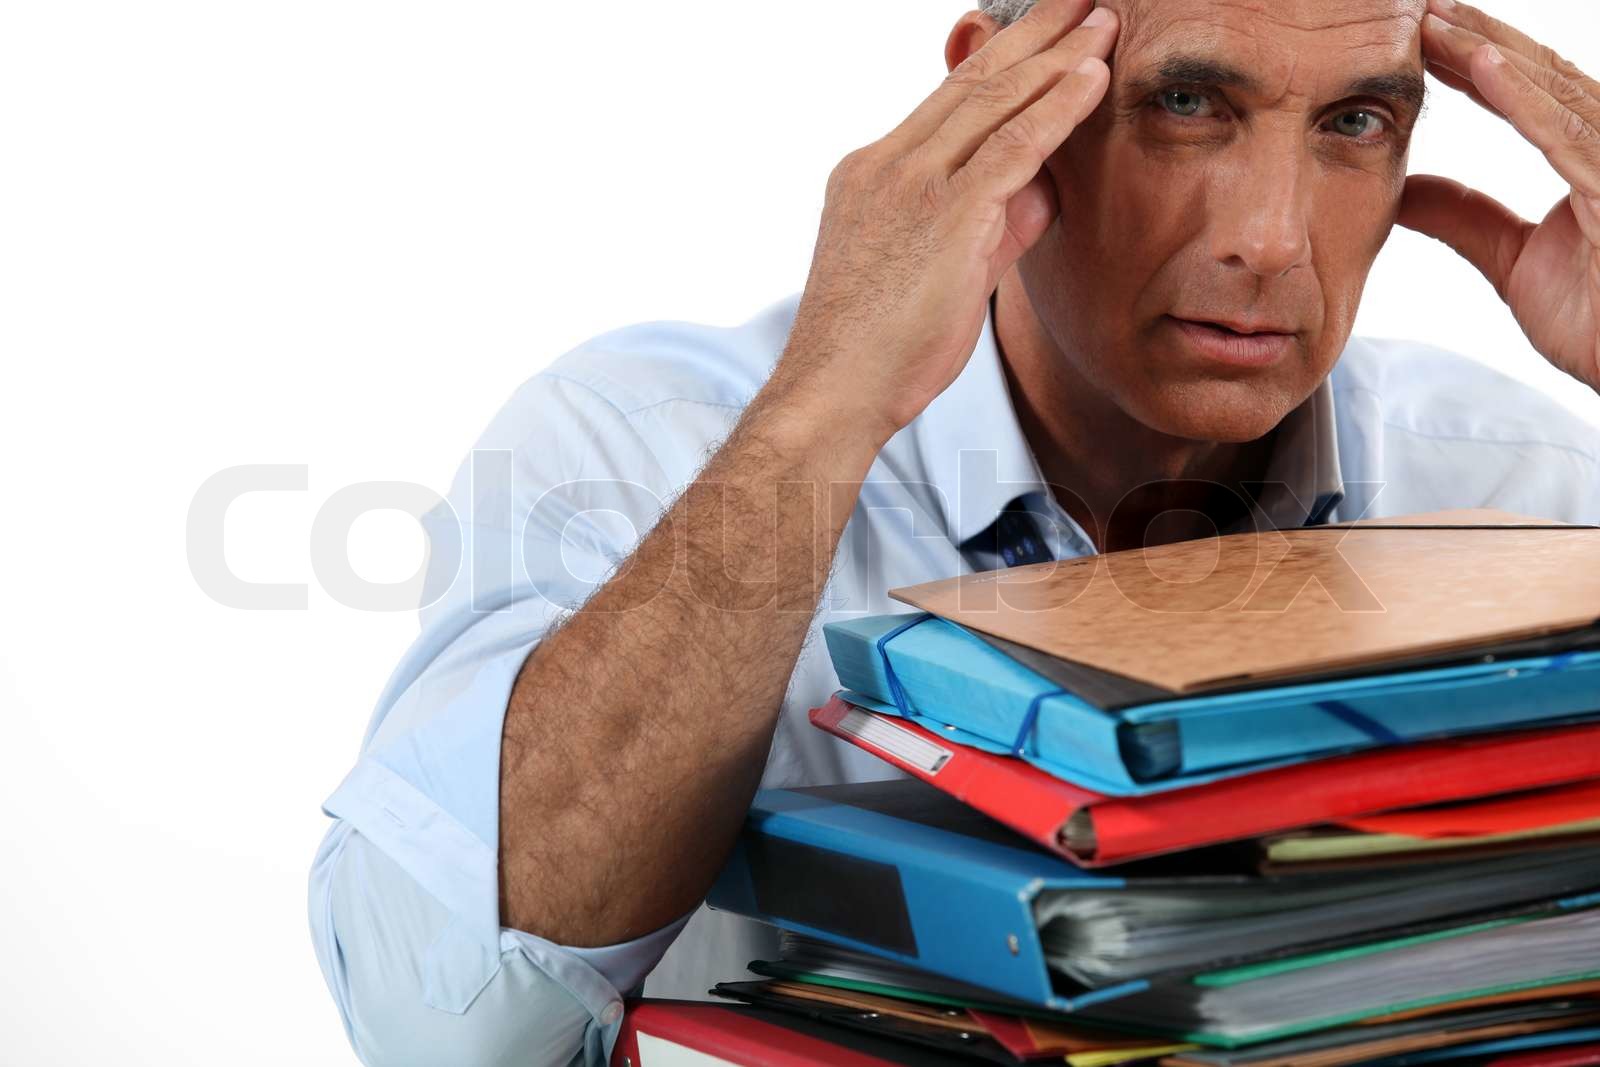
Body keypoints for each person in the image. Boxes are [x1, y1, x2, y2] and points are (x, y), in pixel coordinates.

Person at [308, 0, 1600, 1063]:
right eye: (1186, 104)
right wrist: (828, 407)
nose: (1269, 240)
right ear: (1000, 101)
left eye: (1355, 121)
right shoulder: (638, 443)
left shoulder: (1525, 481)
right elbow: (450, 1032)